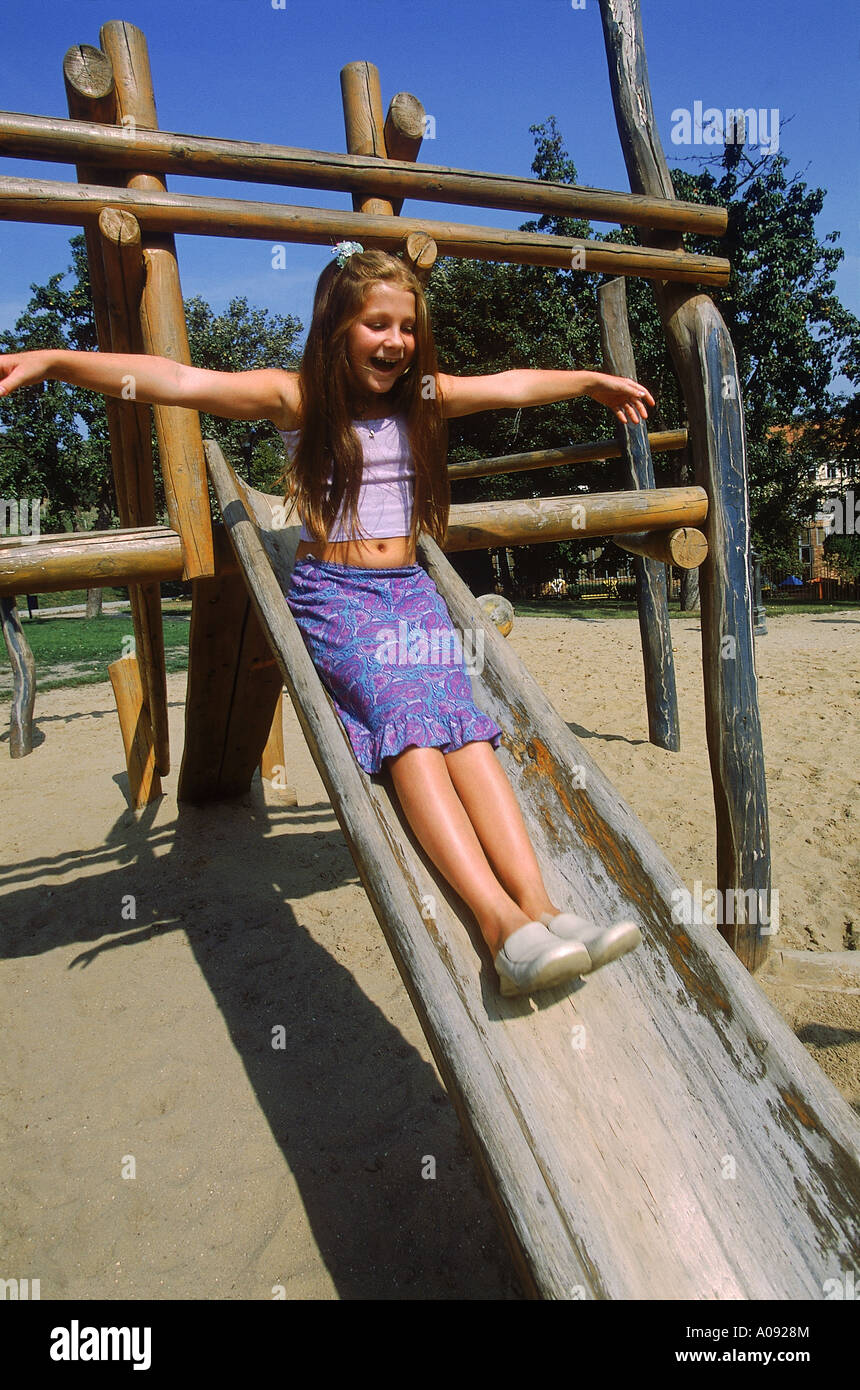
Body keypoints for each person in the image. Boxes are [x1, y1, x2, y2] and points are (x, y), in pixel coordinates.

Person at [0, 242, 653, 999]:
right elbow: (178, 380)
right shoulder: (298, 400)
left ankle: (542, 910)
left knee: (467, 732)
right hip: (337, 595)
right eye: (377, 324)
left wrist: (589, 383)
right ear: (336, 327)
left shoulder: (424, 399)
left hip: (409, 589)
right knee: (410, 730)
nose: (395, 342)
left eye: (406, 327)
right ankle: (502, 930)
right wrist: (53, 360)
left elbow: (509, 386)